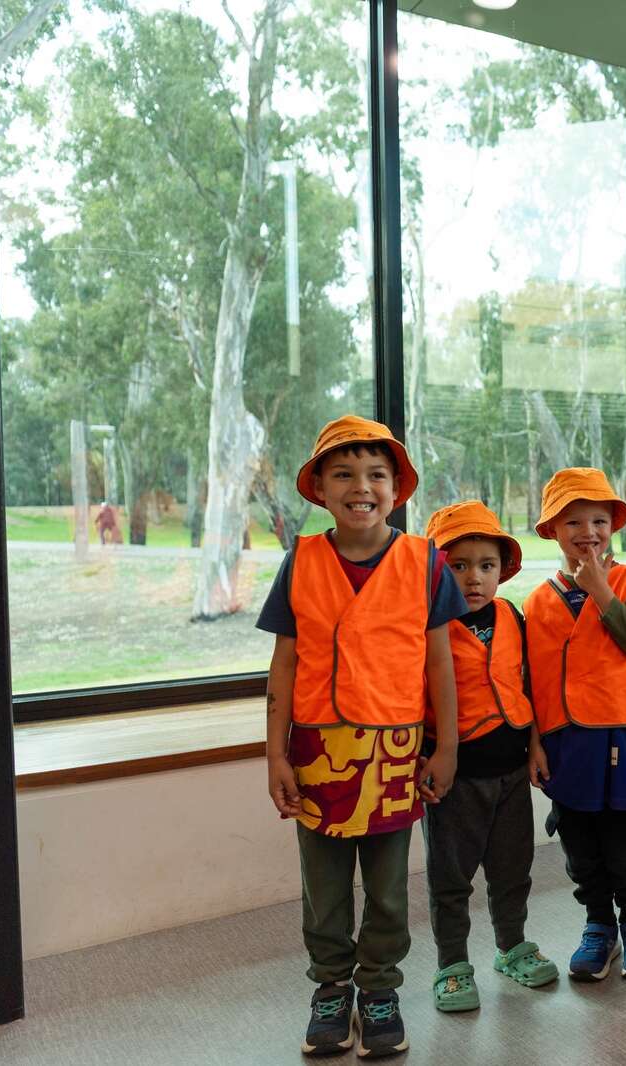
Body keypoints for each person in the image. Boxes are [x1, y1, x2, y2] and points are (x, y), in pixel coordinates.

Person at [256, 415, 464, 1059]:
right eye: (343, 474)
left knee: (388, 887)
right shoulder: (301, 561)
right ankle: (329, 990)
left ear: (397, 488)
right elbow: (285, 665)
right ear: (319, 487)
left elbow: (438, 664)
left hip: (395, 750)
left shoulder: (423, 561)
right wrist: (275, 756)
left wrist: (448, 745)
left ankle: (379, 990)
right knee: (322, 889)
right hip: (317, 750)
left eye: (377, 474)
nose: (360, 486)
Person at [419, 500, 559, 1014]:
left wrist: (537, 744)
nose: (474, 578)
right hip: (455, 779)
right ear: (435, 569)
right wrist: (423, 758)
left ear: (502, 570)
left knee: (512, 869)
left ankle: (511, 946)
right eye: (458, 565)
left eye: (486, 566)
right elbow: (413, 701)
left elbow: (530, 686)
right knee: (450, 877)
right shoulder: (426, 628)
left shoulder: (511, 616)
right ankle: (452, 963)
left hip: (510, 774)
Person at [523, 468, 626, 982]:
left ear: (613, 526)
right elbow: (529, 680)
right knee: (579, 835)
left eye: (599, 520)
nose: (588, 532)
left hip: (619, 733)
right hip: (564, 739)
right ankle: (598, 925)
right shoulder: (537, 601)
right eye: (573, 521)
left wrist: (600, 589)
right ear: (553, 530)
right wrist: (533, 744)